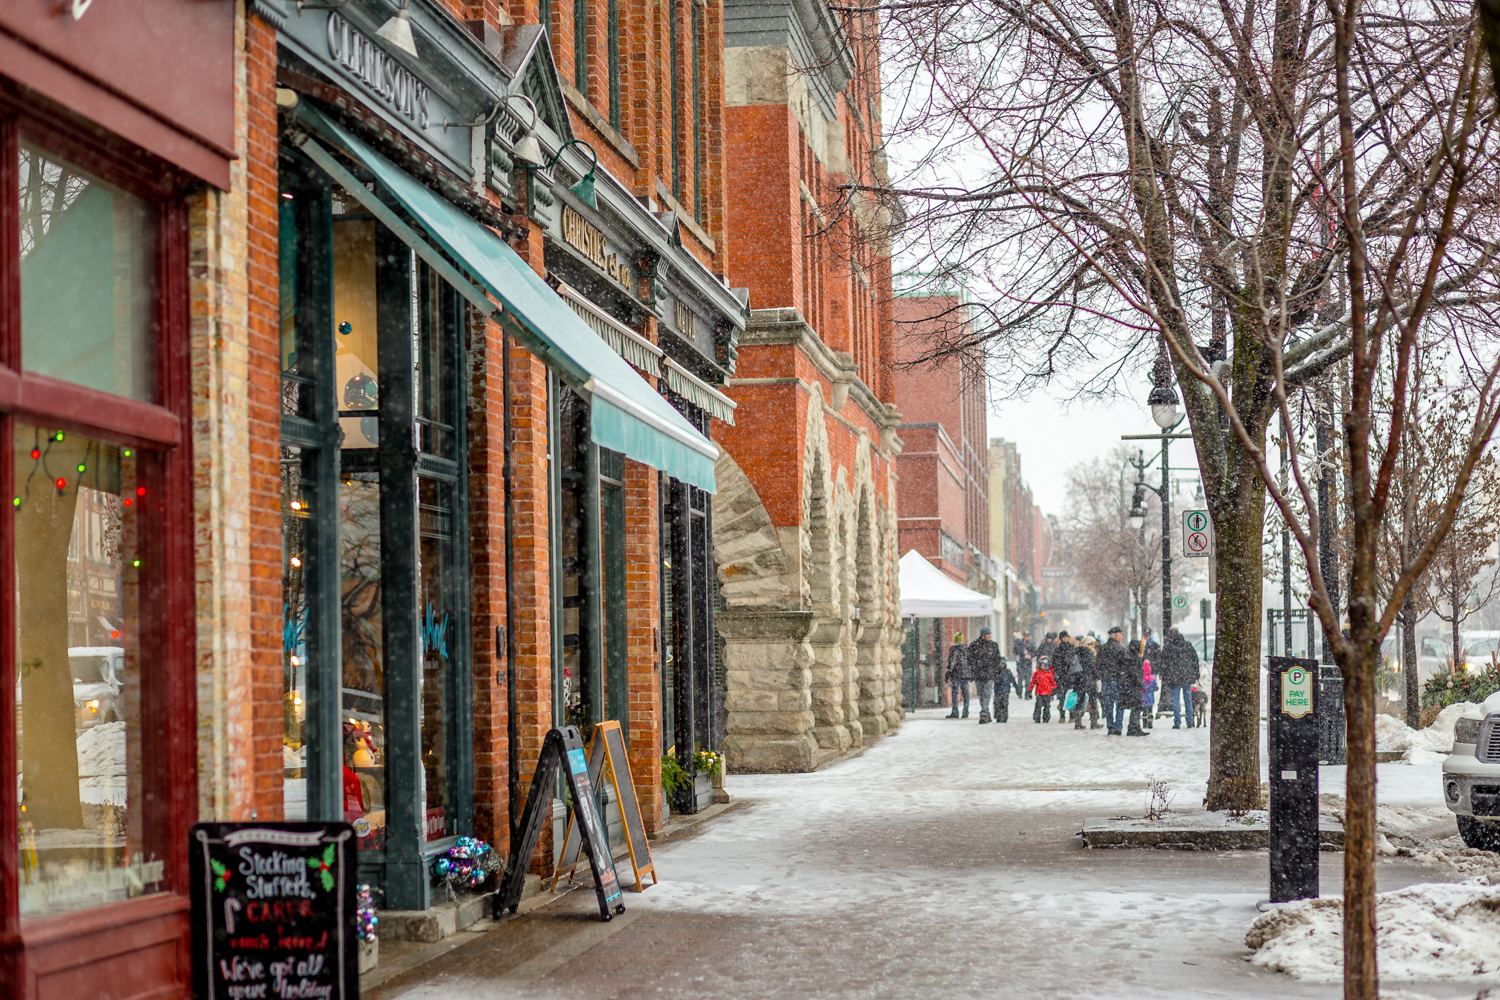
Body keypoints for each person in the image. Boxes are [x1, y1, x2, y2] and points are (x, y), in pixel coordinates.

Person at [1160, 627, 1202, 728]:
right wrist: (1196, 673)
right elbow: (1195, 659)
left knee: (1176, 700)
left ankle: (1177, 722)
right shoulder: (1187, 645)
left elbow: (1163, 662)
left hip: (1174, 677)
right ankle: (1190, 721)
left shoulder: (1168, 647)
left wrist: (1163, 673)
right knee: (1188, 699)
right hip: (1187, 676)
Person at [1096, 626, 1128, 735]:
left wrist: (1102, 675)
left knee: (1108, 704)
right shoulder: (1121, 648)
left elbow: (1098, 664)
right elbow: (1124, 665)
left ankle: (1110, 725)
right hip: (1117, 679)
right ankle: (1118, 726)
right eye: (1121, 634)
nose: (1122, 637)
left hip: (1106, 680)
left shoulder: (1103, 648)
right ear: (1116, 635)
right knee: (1120, 703)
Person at [969, 626, 1002, 724]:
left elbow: (997, 659)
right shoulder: (974, 645)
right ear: (983, 635)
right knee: (981, 695)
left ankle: (983, 714)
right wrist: (974, 670)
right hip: (978, 675)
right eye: (988, 634)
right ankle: (986, 714)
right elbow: (970, 659)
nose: (989, 636)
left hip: (989, 675)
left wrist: (995, 671)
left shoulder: (993, 646)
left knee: (986, 694)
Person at [1053, 632, 1080, 724]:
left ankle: (1071, 715)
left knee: (1070, 696)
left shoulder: (1072, 648)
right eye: (1064, 637)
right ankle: (1062, 715)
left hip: (1070, 676)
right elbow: (1055, 663)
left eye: (1066, 637)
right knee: (1062, 696)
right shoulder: (1058, 650)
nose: (1065, 639)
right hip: (1063, 676)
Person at [1123, 639, 1148, 736]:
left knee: (1136, 707)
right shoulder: (1134, 659)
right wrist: (1139, 681)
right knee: (1137, 706)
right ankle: (1134, 727)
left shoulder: (1130, 657)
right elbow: (1134, 673)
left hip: (1132, 686)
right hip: (1134, 686)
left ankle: (1134, 727)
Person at [1077, 635, 1103, 729]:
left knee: (1080, 700)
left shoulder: (1078, 651)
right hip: (1088, 679)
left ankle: (1077, 722)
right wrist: (1097, 677)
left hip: (1079, 679)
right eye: (1093, 644)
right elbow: (1091, 667)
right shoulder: (1089, 652)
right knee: (1093, 699)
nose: (1094, 646)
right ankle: (1094, 722)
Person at [945, 632, 971, 719]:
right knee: (965, 693)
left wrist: (948, 672)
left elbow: (952, 662)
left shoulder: (954, 649)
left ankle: (955, 711)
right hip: (965, 675)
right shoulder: (966, 649)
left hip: (956, 674)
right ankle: (965, 712)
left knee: (955, 693)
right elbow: (970, 661)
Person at [1030, 655, 1056, 723]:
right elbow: (1033, 682)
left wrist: (1054, 688)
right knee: (1038, 705)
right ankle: (1037, 718)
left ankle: (1046, 718)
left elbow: (1052, 682)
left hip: (1048, 692)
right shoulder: (1037, 673)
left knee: (1047, 706)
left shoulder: (1049, 673)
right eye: (1042, 665)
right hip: (1039, 692)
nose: (1043, 667)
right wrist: (1029, 690)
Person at [995, 655, 1019, 722]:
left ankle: (1004, 717)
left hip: (1005, 691)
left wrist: (1017, 688)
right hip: (998, 691)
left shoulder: (1007, 671)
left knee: (1004, 704)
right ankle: (998, 717)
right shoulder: (996, 672)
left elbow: (1012, 680)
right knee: (998, 704)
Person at [1140, 652, 1158, 730]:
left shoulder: (1142, 680)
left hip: (1143, 698)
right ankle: (1150, 722)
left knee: (1144, 711)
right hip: (1150, 698)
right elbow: (1156, 688)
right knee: (1150, 711)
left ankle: (1144, 723)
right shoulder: (1152, 679)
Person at [1015, 634, 1034, 700]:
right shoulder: (1019, 643)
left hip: (1028, 664)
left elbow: (1034, 651)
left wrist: (1030, 655)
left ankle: (1027, 694)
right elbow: (1015, 650)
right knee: (1020, 679)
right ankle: (1020, 692)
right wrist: (1022, 652)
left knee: (1027, 680)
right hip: (1021, 663)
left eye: (1027, 636)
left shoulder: (1031, 644)